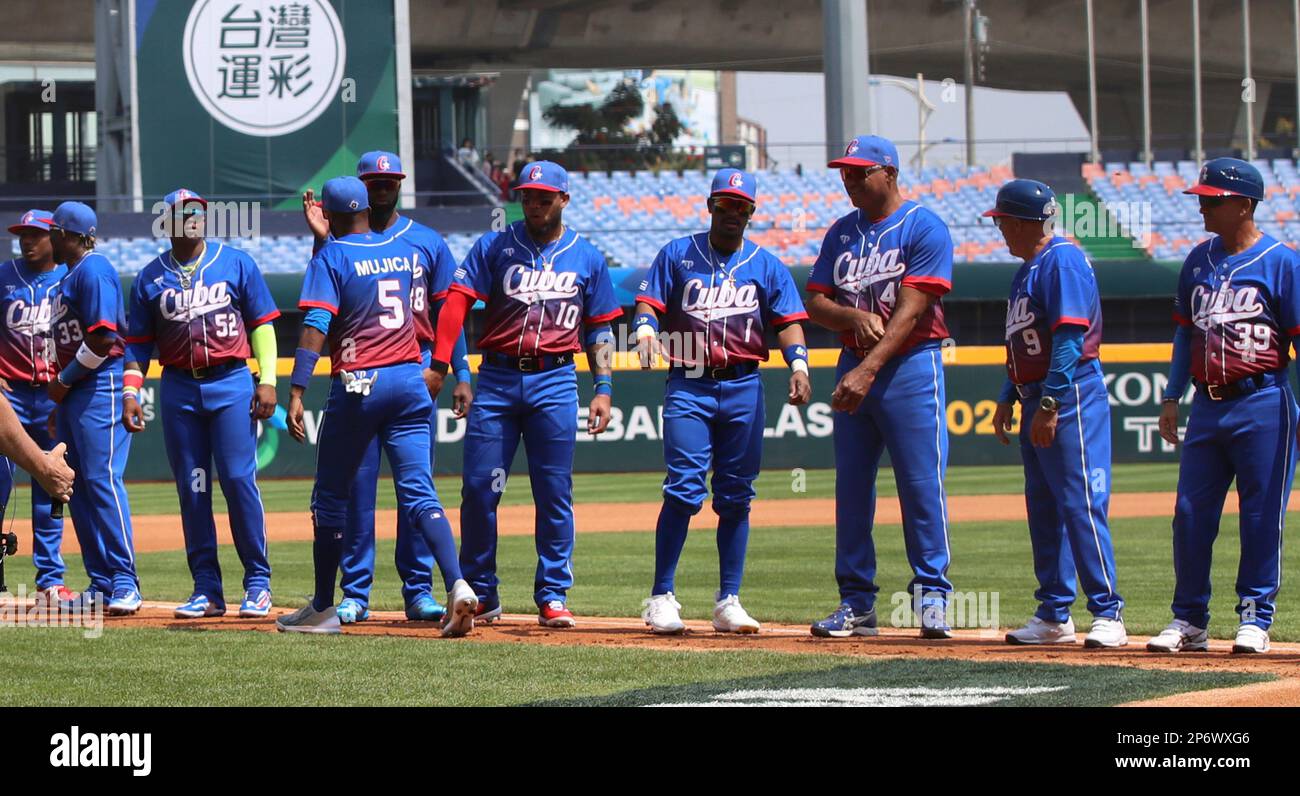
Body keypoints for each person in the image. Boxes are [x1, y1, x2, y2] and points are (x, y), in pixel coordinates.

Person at [277, 176, 476, 636]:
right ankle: (458, 583)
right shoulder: (405, 252)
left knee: (330, 497)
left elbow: (317, 321)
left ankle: (324, 608)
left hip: (359, 383)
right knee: (419, 493)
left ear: (327, 214)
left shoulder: (332, 254)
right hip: (410, 379)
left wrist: (298, 389)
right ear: (369, 205)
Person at [428, 160, 621, 628]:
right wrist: (442, 364)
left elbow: (601, 328)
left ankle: (552, 593)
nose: (533, 203)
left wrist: (604, 388)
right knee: (479, 488)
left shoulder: (586, 256)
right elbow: (456, 300)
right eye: (527, 196)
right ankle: (481, 593)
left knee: (553, 491)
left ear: (563, 200)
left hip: (555, 379)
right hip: (496, 379)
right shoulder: (496, 245)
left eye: (543, 197)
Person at [634, 169, 810, 635]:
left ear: (752, 212)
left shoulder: (766, 264)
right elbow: (648, 303)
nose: (733, 213)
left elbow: (788, 319)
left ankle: (728, 600)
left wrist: (799, 365)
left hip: (744, 384)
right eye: (725, 204)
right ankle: (661, 596)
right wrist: (647, 330)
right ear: (710, 204)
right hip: (689, 382)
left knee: (736, 496)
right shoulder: (677, 254)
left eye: (742, 206)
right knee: (685, 488)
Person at [804, 135, 955, 639]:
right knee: (851, 490)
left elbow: (914, 309)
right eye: (844, 172)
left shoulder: (923, 226)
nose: (848, 179)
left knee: (920, 485)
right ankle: (856, 603)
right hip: (853, 363)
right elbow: (817, 302)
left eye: (859, 171)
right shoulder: (841, 233)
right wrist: (852, 315)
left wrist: (867, 368)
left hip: (910, 366)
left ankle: (932, 597)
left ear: (888, 172)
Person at [1148, 158, 1300, 655]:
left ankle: (1255, 616)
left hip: (1264, 401)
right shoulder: (1198, 259)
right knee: (1190, 513)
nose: (1202, 206)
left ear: (1245, 204)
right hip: (1207, 405)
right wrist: (1171, 396)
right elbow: (1184, 331)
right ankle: (1189, 619)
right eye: (1201, 197)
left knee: (1260, 514)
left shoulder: (1282, 261)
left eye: (1213, 199)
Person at [122, 189, 279, 619]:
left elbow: (262, 324)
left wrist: (268, 379)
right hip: (178, 389)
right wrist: (131, 391)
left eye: (196, 212)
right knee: (193, 489)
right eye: (180, 213)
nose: (190, 218)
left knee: (236, 480)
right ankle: (207, 588)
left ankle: (258, 583)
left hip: (230, 382)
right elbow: (137, 345)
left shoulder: (236, 262)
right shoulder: (150, 277)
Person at [984, 179, 1127, 648]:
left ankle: (1108, 612)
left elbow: (1069, 337)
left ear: (1024, 221)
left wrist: (1049, 402)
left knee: (1081, 502)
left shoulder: (1061, 259)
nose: (1000, 229)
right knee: (1044, 508)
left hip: (1068, 395)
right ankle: (1054, 614)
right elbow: (1024, 343)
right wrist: (1010, 395)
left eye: (1003, 221)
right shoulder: (1027, 269)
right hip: (1035, 395)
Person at [45, 201, 140, 614]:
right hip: (76, 392)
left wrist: (63, 382)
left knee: (101, 479)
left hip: (99, 384)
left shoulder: (94, 269)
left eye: (53, 231)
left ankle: (124, 580)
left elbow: (103, 340)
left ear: (66, 234)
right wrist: (62, 398)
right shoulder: (69, 276)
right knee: (77, 488)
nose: (49, 237)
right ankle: (101, 582)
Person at [0, 209, 71, 604]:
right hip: (9, 396)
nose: (27, 241)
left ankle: (50, 579)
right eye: (22, 234)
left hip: (51, 394)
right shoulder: (3, 275)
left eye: (36, 234)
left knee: (50, 483)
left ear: (54, 238)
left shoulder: (68, 277)